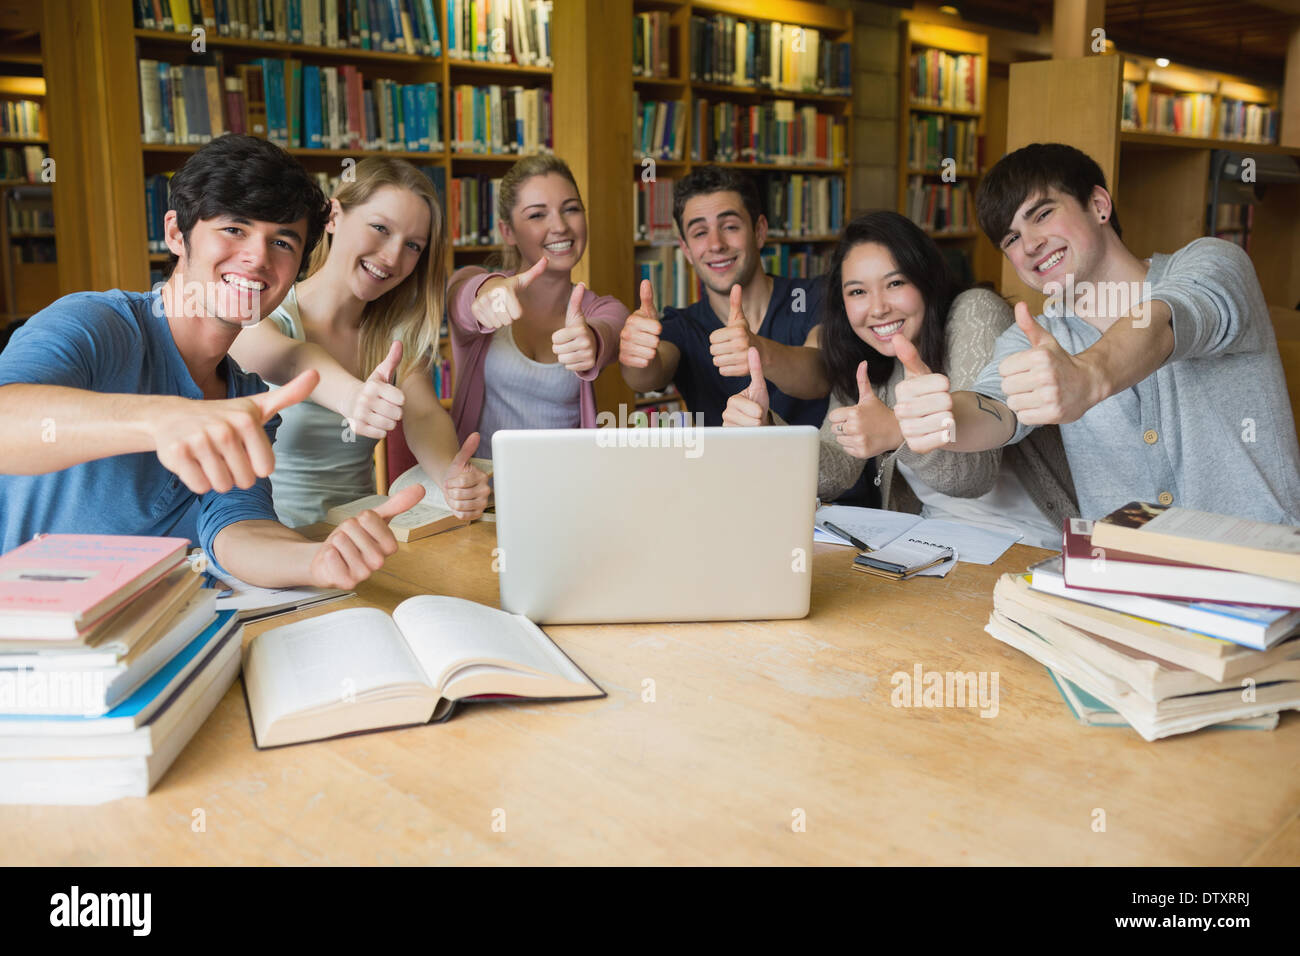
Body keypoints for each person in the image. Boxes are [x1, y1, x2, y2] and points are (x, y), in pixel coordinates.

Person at [0, 134, 424, 588]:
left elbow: (237, 528)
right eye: (234, 229)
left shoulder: (248, 400)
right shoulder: (95, 323)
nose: (257, 257)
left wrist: (316, 559)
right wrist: (163, 420)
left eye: (282, 242)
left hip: (158, 631)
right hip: (31, 631)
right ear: (177, 234)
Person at [892, 142, 1300, 524]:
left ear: (1099, 205)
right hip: (1128, 577)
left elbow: (1166, 319)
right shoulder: (1035, 336)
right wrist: (941, 415)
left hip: (1261, 569)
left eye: (1042, 214)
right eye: (1012, 238)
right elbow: (997, 408)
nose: (1030, 244)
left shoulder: (1212, 262)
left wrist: (1088, 375)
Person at [723, 211, 1077, 546]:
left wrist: (896, 429)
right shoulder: (861, 357)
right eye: (857, 292)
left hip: (1035, 541)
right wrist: (769, 433)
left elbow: (973, 477)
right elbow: (837, 471)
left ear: (925, 280)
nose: (877, 308)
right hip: (936, 543)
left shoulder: (974, 312)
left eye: (894, 283)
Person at [229, 156, 490, 527]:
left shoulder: (393, 334)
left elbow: (424, 413)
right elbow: (293, 360)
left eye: (413, 246)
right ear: (333, 217)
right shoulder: (265, 312)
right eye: (380, 228)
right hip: (269, 543)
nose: (392, 256)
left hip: (359, 540)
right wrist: (353, 397)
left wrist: (453, 476)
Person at [445, 154, 628, 456]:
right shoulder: (477, 284)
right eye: (537, 215)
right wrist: (487, 293)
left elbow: (612, 328)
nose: (559, 226)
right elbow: (463, 295)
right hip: (482, 493)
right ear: (507, 231)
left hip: (566, 488)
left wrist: (591, 341)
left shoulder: (601, 309)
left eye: (570, 209)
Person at [619, 165, 830, 427]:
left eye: (730, 226)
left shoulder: (811, 297)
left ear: (760, 231)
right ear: (685, 249)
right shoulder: (683, 326)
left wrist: (757, 350)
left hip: (813, 467)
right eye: (699, 233)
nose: (716, 244)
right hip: (722, 469)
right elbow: (646, 378)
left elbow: (820, 374)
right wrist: (636, 355)